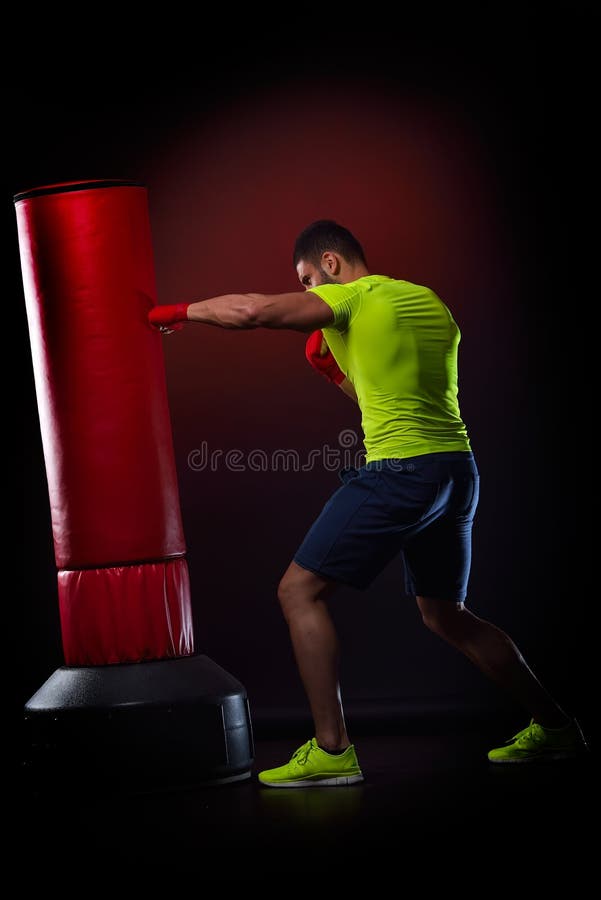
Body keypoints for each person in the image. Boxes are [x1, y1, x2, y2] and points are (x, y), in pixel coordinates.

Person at [149, 219, 587, 786]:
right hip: (456, 470)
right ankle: (557, 727)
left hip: (401, 472)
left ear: (330, 264)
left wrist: (179, 313)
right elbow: (386, 392)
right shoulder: (429, 302)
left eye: (309, 280)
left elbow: (254, 311)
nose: (311, 293)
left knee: (297, 591)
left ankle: (332, 750)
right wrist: (334, 372)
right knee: (445, 614)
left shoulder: (350, 296)